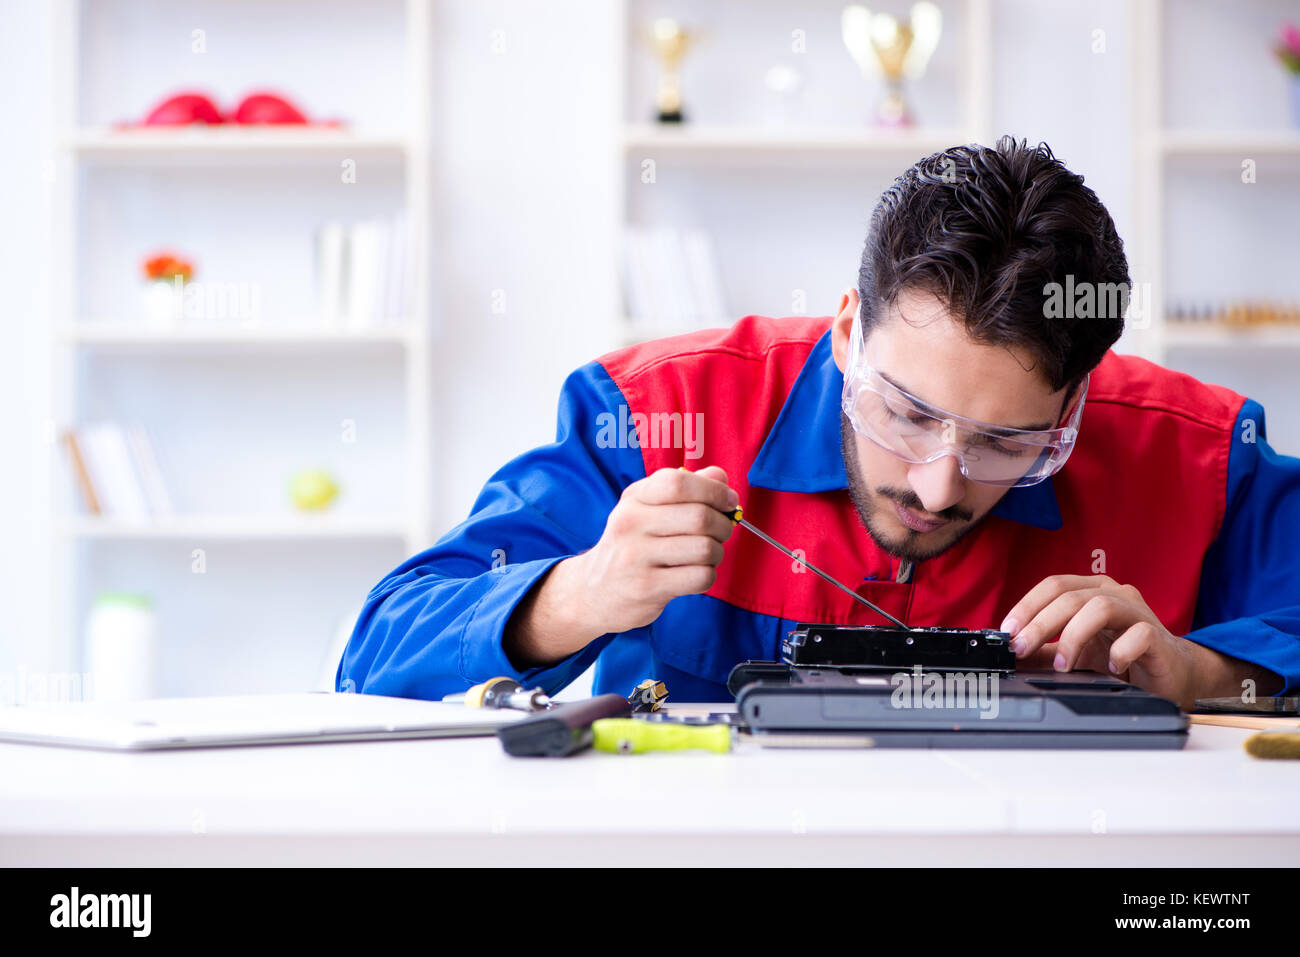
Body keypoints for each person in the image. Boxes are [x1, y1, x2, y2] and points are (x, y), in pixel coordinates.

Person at [337, 136, 1298, 709]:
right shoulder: (652, 412)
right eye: (907, 411)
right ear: (847, 332)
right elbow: (373, 658)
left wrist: (1202, 670)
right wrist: (579, 594)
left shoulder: (1201, 454)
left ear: (1075, 408)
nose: (936, 484)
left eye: (1008, 444)